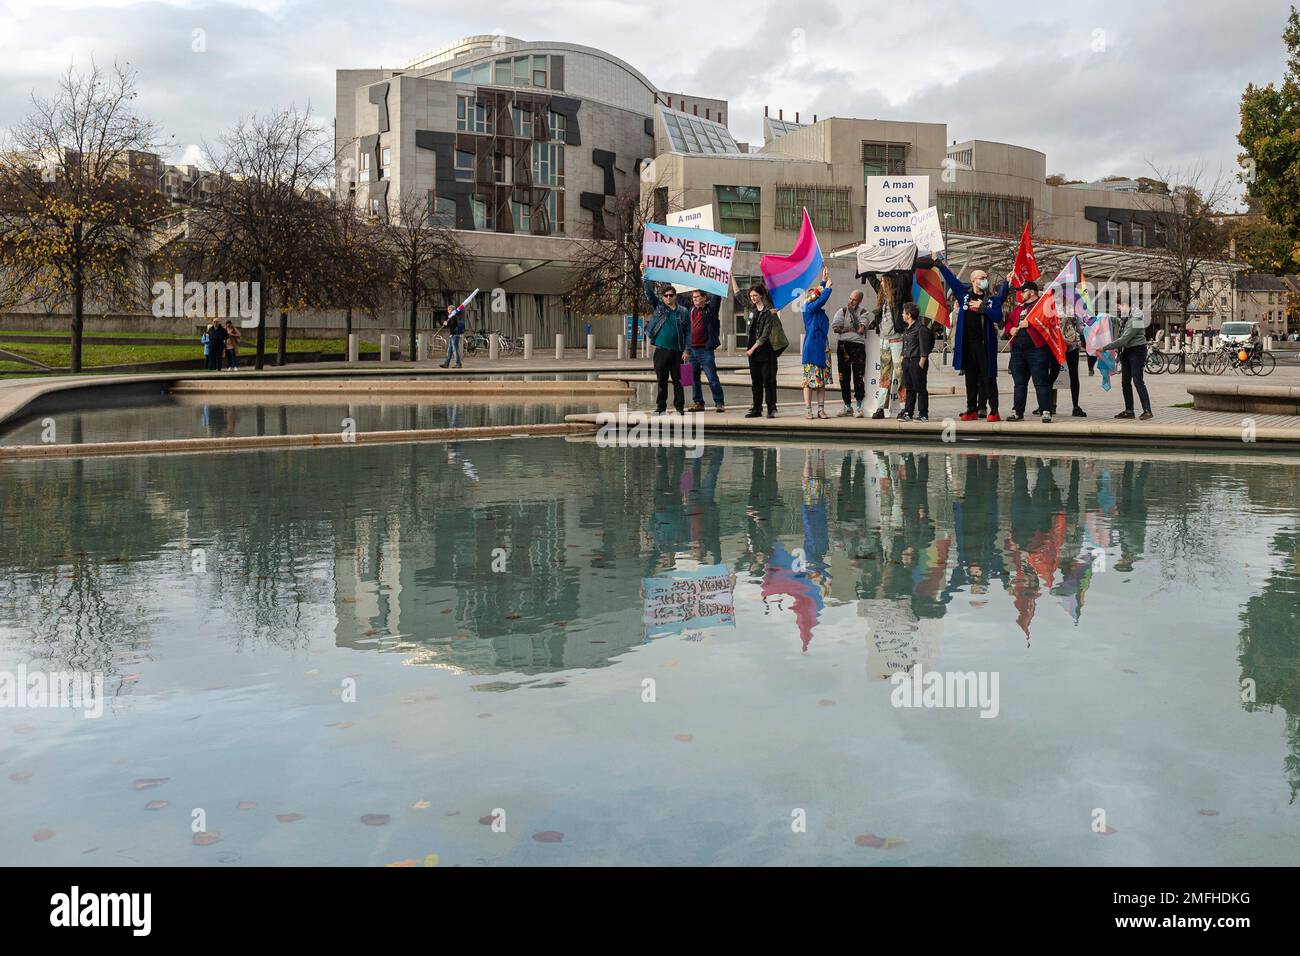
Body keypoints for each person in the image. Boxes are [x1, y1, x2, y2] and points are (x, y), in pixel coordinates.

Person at [936, 254, 1010, 421]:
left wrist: (982, 307)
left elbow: (998, 316)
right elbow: (951, 279)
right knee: (970, 378)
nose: (985, 280)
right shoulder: (964, 295)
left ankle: (994, 410)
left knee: (988, 377)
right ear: (974, 280)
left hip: (985, 346)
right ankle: (971, 408)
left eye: (985, 278)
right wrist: (939, 264)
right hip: (968, 345)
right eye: (982, 277)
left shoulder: (990, 300)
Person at [1003, 280, 1055, 423]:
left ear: (1032, 292)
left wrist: (1030, 323)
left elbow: (1048, 322)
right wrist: (1010, 330)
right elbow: (1008, 322)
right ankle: (1017, 411)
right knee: (1019, 383)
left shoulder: (1042, 305)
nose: (1021, 294)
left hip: (1037, 350)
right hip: (1018, 350)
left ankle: (1045, 410)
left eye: (1023, 291)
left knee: (1041, 382)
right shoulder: (1018, 308)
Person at [642, 274, 691, 415]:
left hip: (678, 352)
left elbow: (688, 332)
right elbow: (649, 294)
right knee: (661, 381)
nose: (669, 298)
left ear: (676, 296)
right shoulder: (659, 308)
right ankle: (661, 407)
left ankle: (679, 408)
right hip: (661, 351)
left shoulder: (683, 312)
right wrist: (644, 277)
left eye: (671, 295)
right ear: (663, 297)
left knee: (679, 381)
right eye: (666, 296)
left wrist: (687, 350)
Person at [1102, 301, 1152, 420]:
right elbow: (1119, 324)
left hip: (1137, 351)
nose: (1118, 308)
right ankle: (1129, 410)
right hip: (1127, 351)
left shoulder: (1136, 319)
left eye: (1120, 305)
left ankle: (1147, 410)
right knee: (1125, 382)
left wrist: (1104, 348)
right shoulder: (1127, 318)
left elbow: (1124, 338)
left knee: (1138, 381)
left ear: (1128, 305)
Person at [866, 273, 907, 419]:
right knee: (884, 375)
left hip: (896, 339)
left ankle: (904, 407)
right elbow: (873, 281)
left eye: (883, 281)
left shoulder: (897, 295)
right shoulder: (881, 296)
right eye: (881, 281)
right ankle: (880, 408)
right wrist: (865, 270)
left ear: (889, 281)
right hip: (883, 339)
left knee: (900, 373)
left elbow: (905, 279)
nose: (881, 283)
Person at [686, 288, 726, 413]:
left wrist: (719, 279)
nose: (695, 299)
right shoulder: (690, 310)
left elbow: (717, 296)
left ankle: (719, 403)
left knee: (712, 377)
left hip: (705, 349)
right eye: (693, 297)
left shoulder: (710, 309)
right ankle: (698, 402)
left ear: (704, 297)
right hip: (690, 350)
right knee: (692, 378)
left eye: (697, 297)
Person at [744, 284, 780, 418]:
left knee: (768, 380)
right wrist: (732, 278)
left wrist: (752, 349)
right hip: (752, 353)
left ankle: (771, 408)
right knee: (756, 381)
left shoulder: (768, 313)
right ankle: (757, 408)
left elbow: (764, 336)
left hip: (765, 351)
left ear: (761, 296)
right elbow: (737, 296)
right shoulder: (751, 310)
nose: (753, 298)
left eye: (755, 295)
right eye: (751, 296)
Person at [801, 269, 833, 419]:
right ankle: (808, 409)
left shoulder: (819, 311)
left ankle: (821, 409)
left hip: (823, 349)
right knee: (809, 382)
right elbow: (818, 298)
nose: (815, 295)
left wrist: (823, 280)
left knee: (822, 382)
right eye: (813, 294)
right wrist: (826, 288)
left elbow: (818, 299)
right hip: (812, 349)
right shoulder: (808, 307)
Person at [1047, 297, 1087, 417]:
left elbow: (1080, 328)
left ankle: (1076, 406)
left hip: (1072, 347)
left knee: (1074, 376)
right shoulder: (1053, 309)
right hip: (1057, 346)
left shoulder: (1076, 311)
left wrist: (1090, 329)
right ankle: (1048, 405)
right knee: (1053, 374)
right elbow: (1051, 327)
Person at [831, 289, 868, 417]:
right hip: (843, 347)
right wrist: (852, 329)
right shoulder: (842, 311)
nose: (851, 301)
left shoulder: (863, 312)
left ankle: (859, 406)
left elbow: (861, 329)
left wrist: (848, 325)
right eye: (850, 298)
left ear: (860, 301)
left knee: (858, 377)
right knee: (843, 377)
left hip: (858, 347)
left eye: (854, 300)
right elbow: (835, 328)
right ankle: (847, 406)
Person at [898, 303, 933, 422]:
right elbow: (905, 346)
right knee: (910, 388)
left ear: (909, 315)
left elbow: (924, 347)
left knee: (920, 388)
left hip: (917, 361)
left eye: (904, 313)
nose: (902, 315)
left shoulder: (921, 329)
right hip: (907, 362)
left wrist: (921, 363)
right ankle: (908, 412)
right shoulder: (907, 329)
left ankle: (923, 414)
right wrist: (902, 357)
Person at [439, 303, 464, 368]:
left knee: (455, 350)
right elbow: (451, 325)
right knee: (449, 350)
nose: (448, 311)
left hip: (454, 335)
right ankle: (446, 364)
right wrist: (446, 323)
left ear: (451, 310)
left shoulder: (453, 316)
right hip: (453, 335)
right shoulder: (452, 317)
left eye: (449, 310)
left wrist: (447, 323)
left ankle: (458, 364)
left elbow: (453, 325)